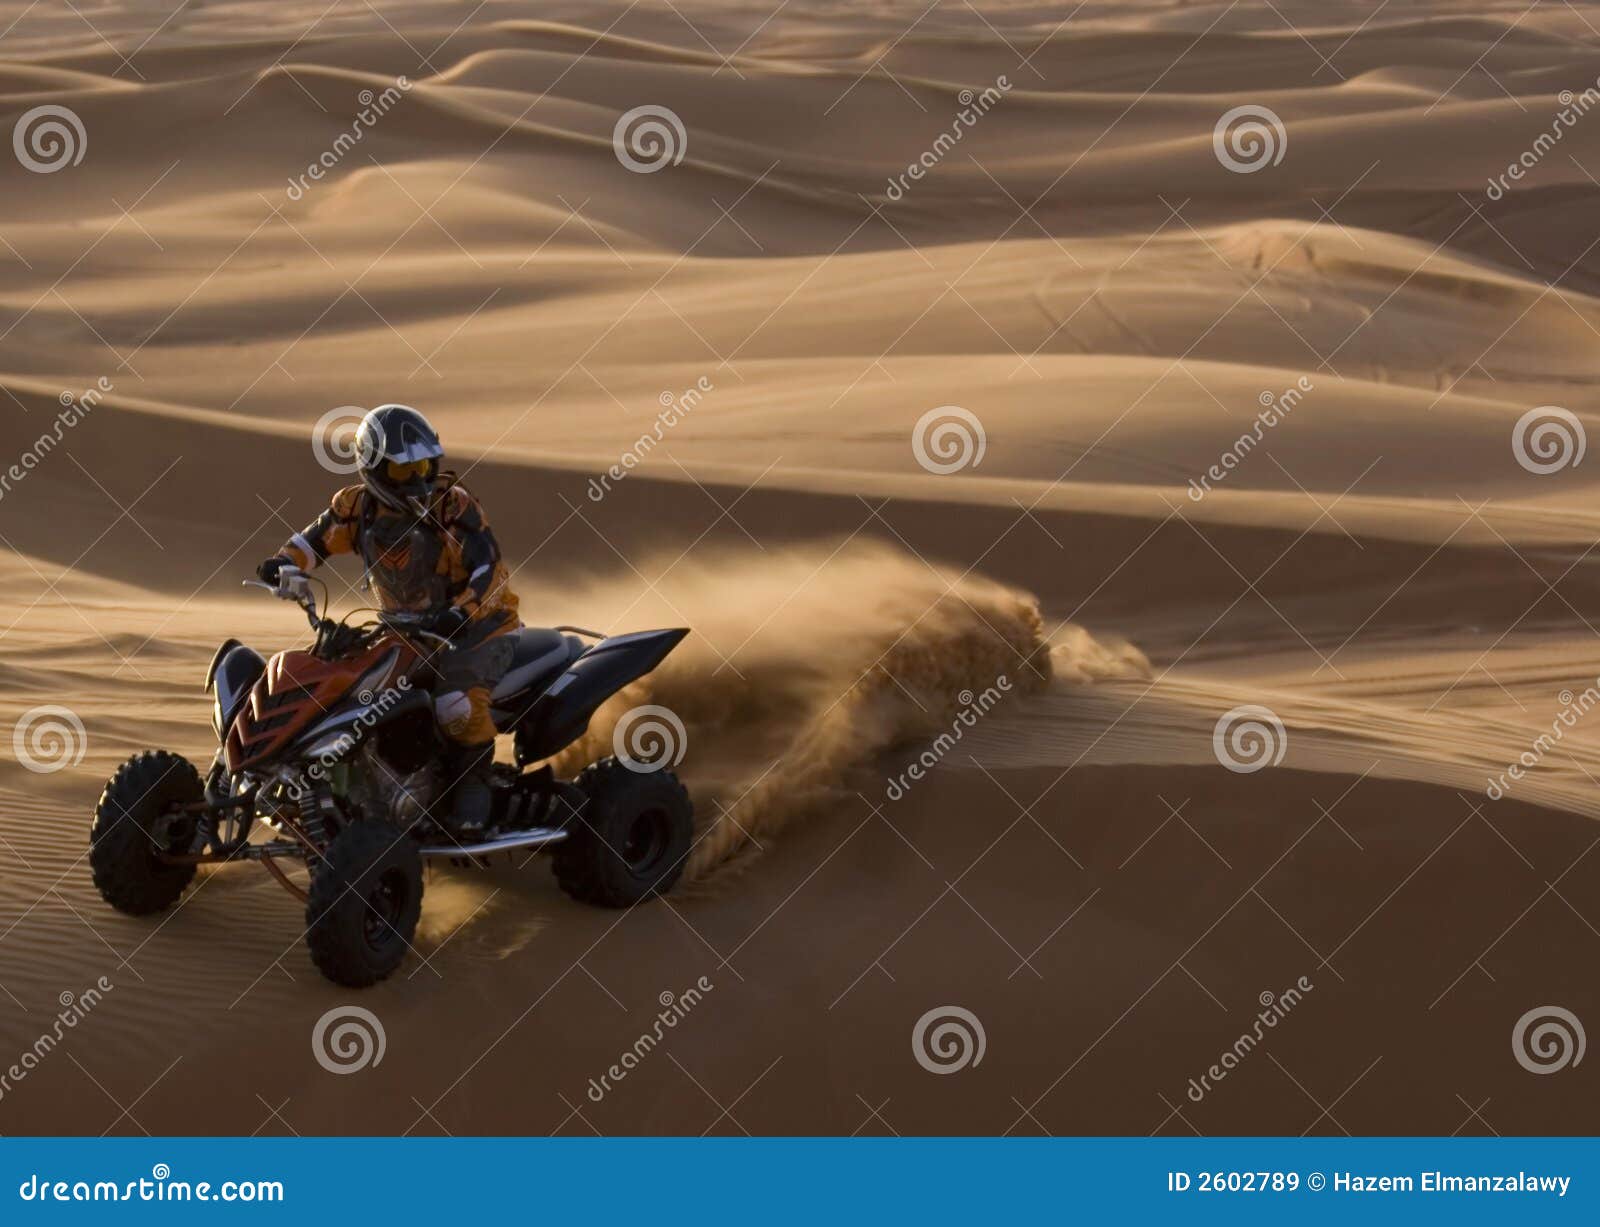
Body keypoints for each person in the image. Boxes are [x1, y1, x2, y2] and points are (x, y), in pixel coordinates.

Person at [256, 404, 520, 837]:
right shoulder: (357, 509)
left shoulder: (453, 508)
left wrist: (462, 612)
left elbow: (488, 571)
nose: (419, 480)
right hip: (403, 631)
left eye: (426, 466)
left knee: (455, 704)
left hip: (482, 629)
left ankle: (471, 787)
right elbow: (312, 541)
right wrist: (283, 564)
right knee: (346, 693)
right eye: (404, 472)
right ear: (373, 470)